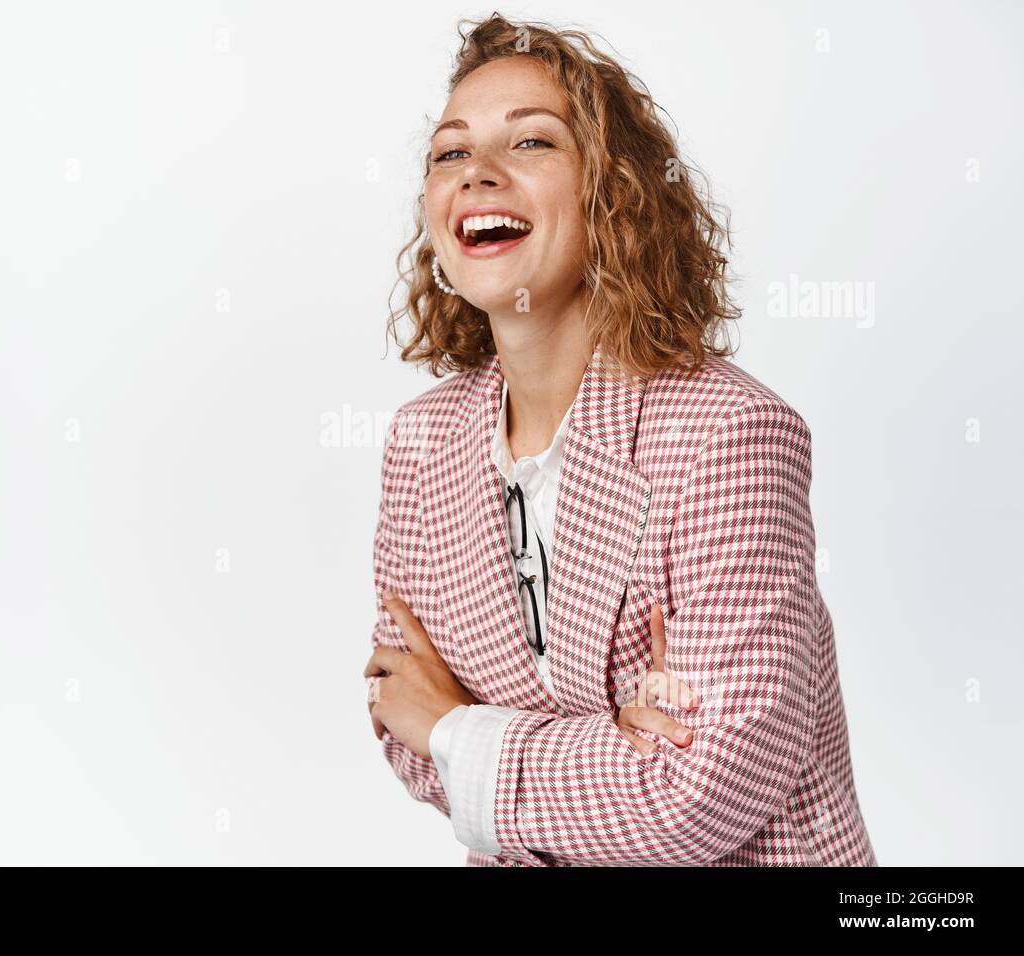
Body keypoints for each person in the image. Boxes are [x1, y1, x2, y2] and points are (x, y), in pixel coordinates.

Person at [364, 13, 876, 867]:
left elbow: (701, 797)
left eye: (530, 144)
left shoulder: (729, 435)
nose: (477, 174)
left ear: (613, 192)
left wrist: (460, 725)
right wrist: (611, 747)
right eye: (450, 153)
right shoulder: (422, 444)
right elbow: (397, 723)